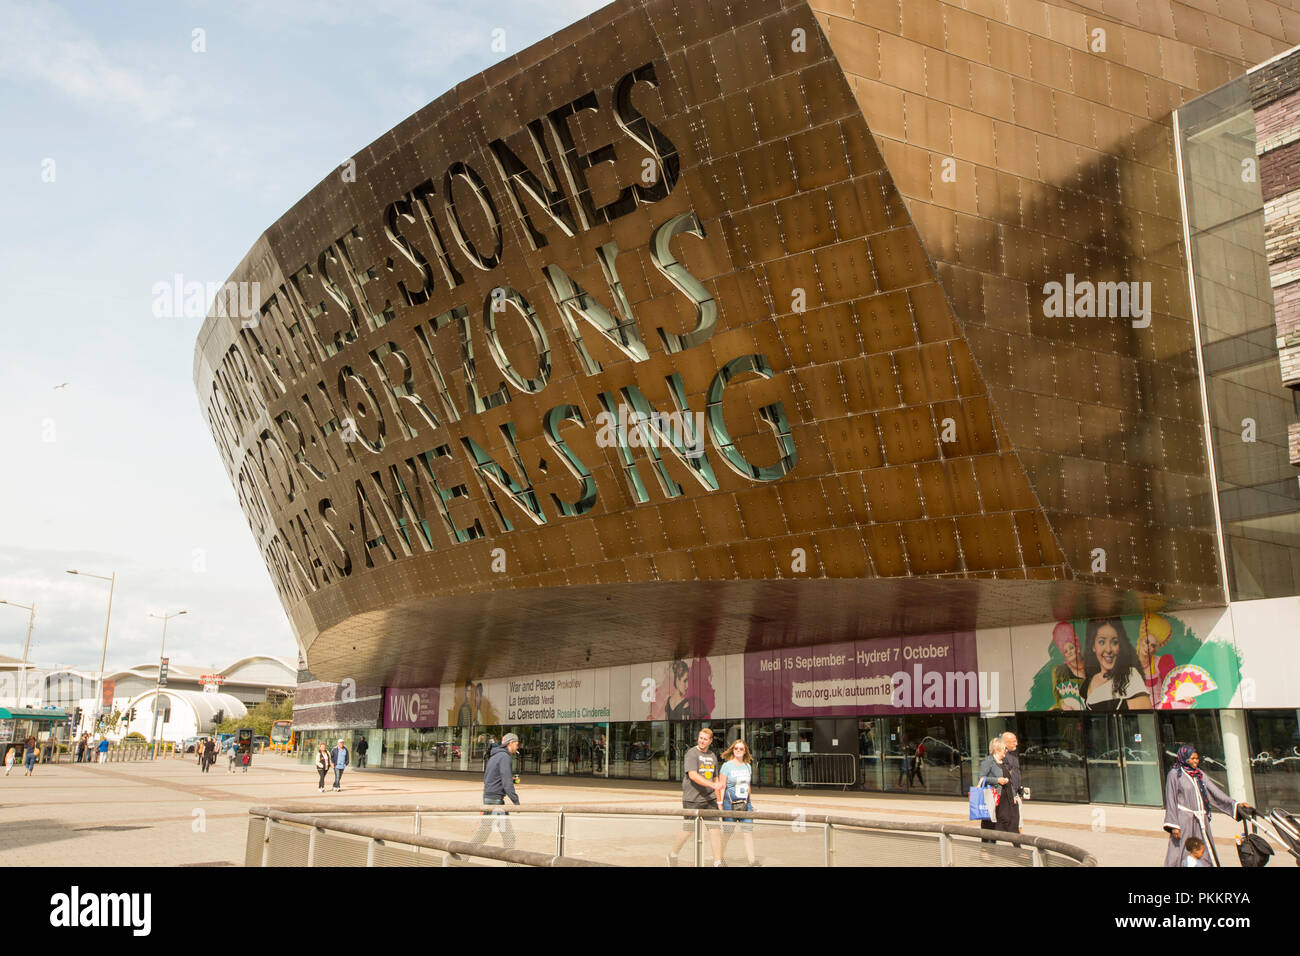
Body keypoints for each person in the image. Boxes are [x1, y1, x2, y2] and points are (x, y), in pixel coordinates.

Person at [1162, 744, 1248, 867]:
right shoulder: (1175, 774)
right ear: (1184, 758)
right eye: (1192, 758)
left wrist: (1236, 804)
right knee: (1181, 849)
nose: (1196, 761)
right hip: (1184, 820)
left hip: (1201, 820)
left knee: (1203, 848)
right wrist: (1173, 825)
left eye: (1197, 758)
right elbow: (1171, 799)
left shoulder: (1199, 774)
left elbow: (1215, 792)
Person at [668, 727, 724, 866]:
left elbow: (715, 778)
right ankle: (673, 854)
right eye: (700, 738)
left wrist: (719, 800)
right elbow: (693, 775)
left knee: (715, 828)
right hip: (692, 799)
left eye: (705, 739)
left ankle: (717, 861)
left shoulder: (712, 756)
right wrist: (712, 786)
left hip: (709, 799)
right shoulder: (691, 754)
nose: (702, 741)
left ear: (710, 741)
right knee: (688, 829)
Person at [1081, 618, 1152, 710]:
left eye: (1114, 642)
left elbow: (1145, 708)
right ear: (1093, 646)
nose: (1109, 649)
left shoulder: (1130, 675)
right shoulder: (1086, 684)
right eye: (1102, 642)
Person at [469, 732, 520, 849]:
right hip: (496, 802)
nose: (518, 747)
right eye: (516, 744)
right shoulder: (504, 757)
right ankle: (461, 858)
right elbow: (507, 782)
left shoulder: (495, 755)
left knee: (483, 834)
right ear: (510, 743)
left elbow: (491, 777)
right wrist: (516, 802)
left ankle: (462, 858)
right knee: (509, 837)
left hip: (489, 797)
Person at [718, 738, 759, 866]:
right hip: (729, 804)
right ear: (732, 750)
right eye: (736, 748)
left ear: (745, 751)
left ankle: (752, 861)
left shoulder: (747, 766)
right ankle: (718, 859)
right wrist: (720, 805)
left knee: (748, 833)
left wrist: (751, 804)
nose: (738, 750)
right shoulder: (726, 766)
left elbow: (748, 787)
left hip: (745, 804)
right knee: (727, 834)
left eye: (741, 748)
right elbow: (722, 786)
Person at [977, 738, 1016, 843]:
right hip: (993, 798)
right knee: (989, 823)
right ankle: (986, 848)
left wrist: (1014, 795)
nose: (1006, 751)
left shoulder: (1004, 762)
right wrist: (997, 780)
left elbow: (1010, 781)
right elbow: (981, 778)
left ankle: (1017, 847)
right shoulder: (988, 761)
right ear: (997, 750)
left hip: (1006, 799)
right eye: (1004, 749)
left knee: (1010, 822)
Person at [1001, 732, 1023, 833]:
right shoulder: (1002, 757)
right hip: (1008, 793)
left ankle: (1018, 841)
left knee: (1017, 819)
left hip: (1015, 792)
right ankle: (1018, 842)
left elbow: (1016, 773)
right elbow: (1006, 776)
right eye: (1013, 741)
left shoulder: (1014, 755)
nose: (1016, 743)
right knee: (1015, 819)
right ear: (1005, 743)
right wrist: (1013, 793)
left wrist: (1019, 789)